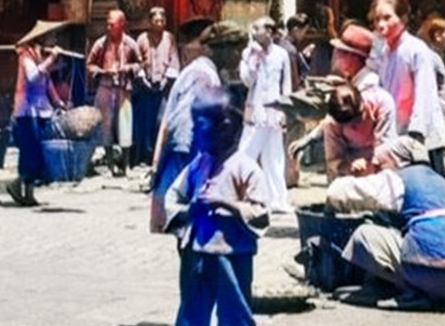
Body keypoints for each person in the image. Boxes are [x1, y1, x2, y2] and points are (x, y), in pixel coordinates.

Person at [332, 136, 445, 310]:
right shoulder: (442, 182)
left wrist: (357, 178)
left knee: (364, 234)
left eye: (379, 164)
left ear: (398, 161)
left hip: (435, 273)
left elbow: (338, 192)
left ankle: (416, 291)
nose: (377, 168)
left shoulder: (398, 179)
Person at [165, 86, 269, 326]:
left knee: (235, 317)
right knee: (192, 315)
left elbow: (260, 212)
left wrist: (227, 204)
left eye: (201, 127)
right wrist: (191, 210)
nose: (196, 133)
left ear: (226, 128)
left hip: (232, 254)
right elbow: (172, 198)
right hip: (197, 251)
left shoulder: (246, 168)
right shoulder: (198, 164)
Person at [288, 23, 396, 181]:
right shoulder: (349, 82)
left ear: (352, 58)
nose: (336, 57)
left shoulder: (369, 87)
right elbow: (333, 119)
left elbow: (383, 142)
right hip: (347, 159)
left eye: (340, 53)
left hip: (371, 162)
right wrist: (310, 138)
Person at [149, 17, 226, 233]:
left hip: (182, 145)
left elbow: (168, 120)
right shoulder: (200, 73)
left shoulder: (195, 72)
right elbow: (182, 120)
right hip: (189, 146)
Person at [367, 0, 445, 176]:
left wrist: (416, 133)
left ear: (403, 19)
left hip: (420, 137)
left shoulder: (417, 50)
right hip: (396, 133)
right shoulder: (386, 52)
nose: (381, 24)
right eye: (377, 19)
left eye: (387, 17)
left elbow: (425, 94)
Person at [7, 19, 67, 208]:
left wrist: (58, 102)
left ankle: (29, 193)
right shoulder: (25, 55)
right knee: (30, 152)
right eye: (52, 36)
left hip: (41, 110)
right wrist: (51, 60)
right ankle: (17, 184)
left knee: (39, 150)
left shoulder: (41, 56)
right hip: (26, 110)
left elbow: (47, 83)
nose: (54, 39)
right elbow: (33, 78)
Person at [238, 16, 293, 213]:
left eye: (258, 28)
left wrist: (285, 110)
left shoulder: (281, 54)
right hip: (256, 108)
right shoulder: (248, 53)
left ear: (269, 32)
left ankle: (277, 199)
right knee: (247, 151)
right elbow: (247, 81)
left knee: (275, 156)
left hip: (275, 110)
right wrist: (253, 59)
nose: (254, 32)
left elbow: (286, 84)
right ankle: (240, 193)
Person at [86, 8, 140, 176]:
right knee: (105, 127)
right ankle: (110, 166)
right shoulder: (100, 43)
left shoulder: (130, 43)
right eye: (107, 24)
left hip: (124, 87)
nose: (108, 27)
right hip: (105, 87)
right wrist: (103, 71)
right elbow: (89, 64)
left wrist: (128, 68)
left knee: (126, 125)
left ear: (121, 24)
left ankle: (126, 166)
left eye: (112, 24)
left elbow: (140, 63)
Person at [133, 7, 179, 168]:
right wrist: (143, 80)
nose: (159, 24)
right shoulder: (142, 39)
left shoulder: (169, 38)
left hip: (164, 87)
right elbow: (137, 62)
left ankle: (158, 155)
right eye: (156, 21)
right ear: (150, 22)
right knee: (145, 122)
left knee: (161, 121)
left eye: (162, 21)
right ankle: (144, 156)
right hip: (146, 87)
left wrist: (167, 81)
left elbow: (174, 61)